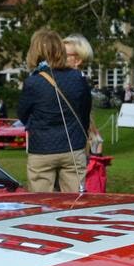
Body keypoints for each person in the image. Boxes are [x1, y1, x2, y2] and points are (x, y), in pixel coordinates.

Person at [18, 28, 93, 193]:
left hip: (42, 148)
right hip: (73, 146)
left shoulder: (33, 82)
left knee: (42, 203)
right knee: (75, 201)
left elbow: (22, 114)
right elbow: (85, 112)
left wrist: (36, 125)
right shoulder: (78, 78)